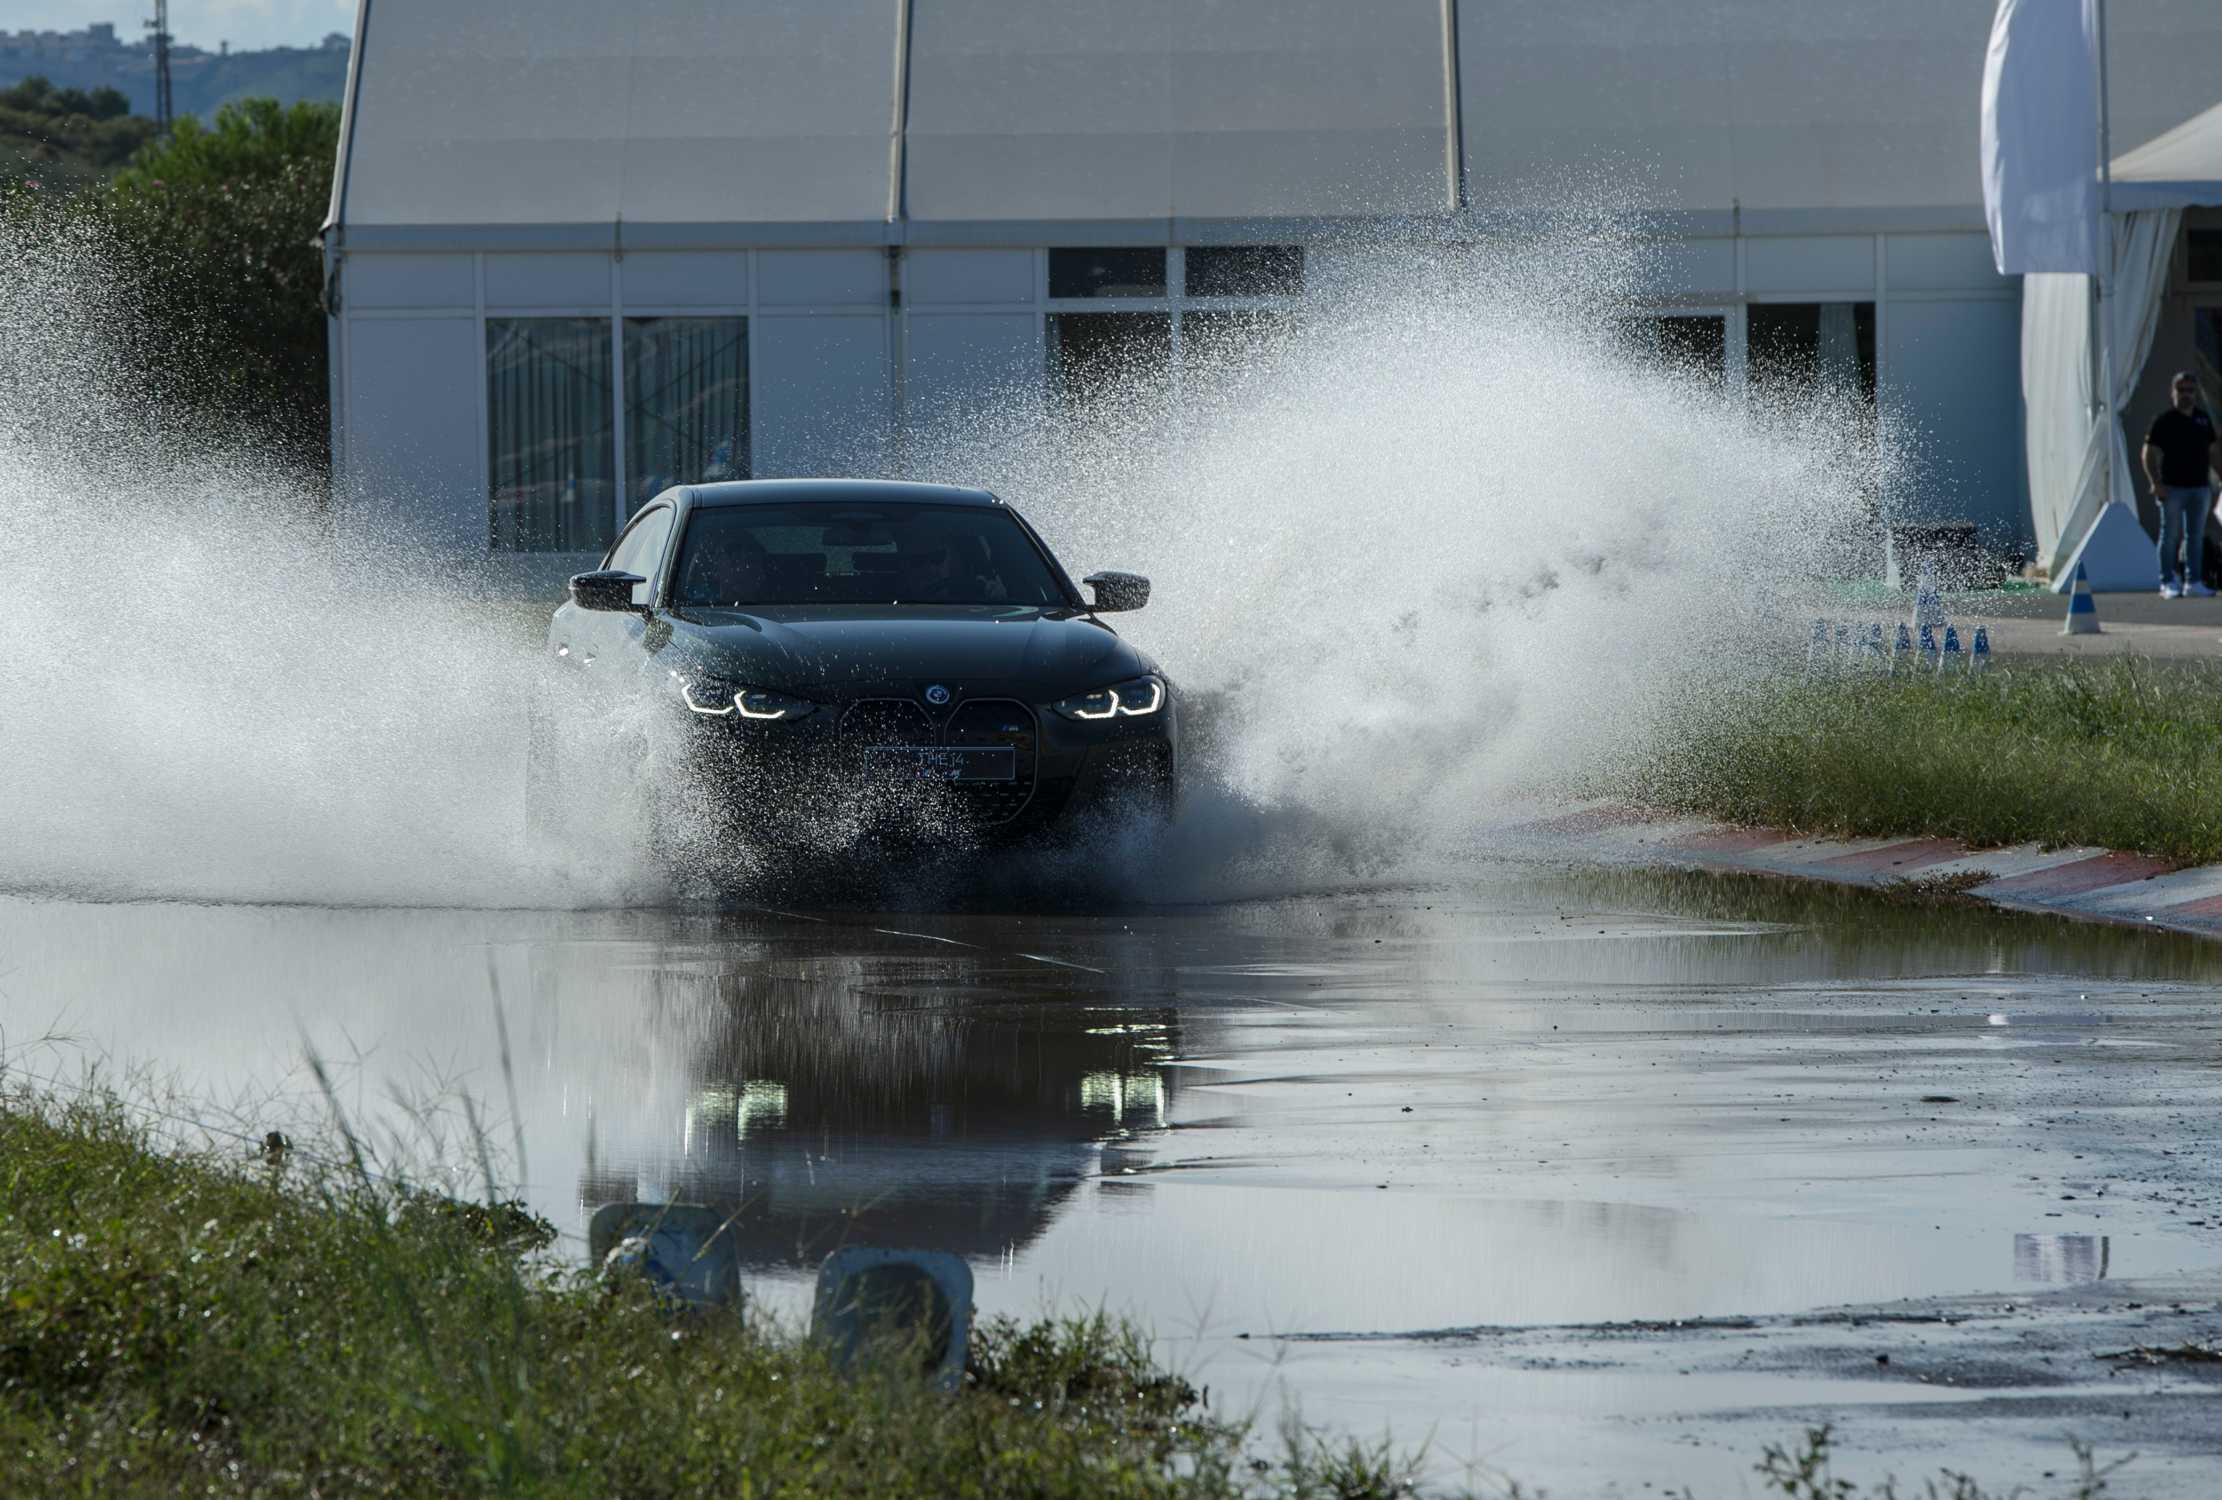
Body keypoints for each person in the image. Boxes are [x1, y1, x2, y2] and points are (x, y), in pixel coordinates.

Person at [2142, 370, 2217, 599]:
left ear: (2196, 393)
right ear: (2172, 392)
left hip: (2199, 488)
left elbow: (2213, 452)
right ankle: (2167, 581)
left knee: (2195, 536)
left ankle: (2193, 581)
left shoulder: (2203, 419)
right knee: (2170, 534)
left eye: (2190, 390)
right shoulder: (2164, 421)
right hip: (2172, 488)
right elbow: (2148, 453)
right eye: (2181, 390)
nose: (2186, 395)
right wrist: (2156, 482)